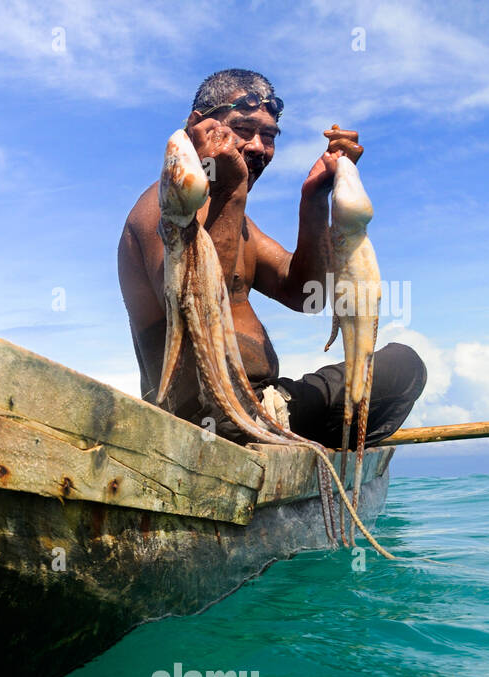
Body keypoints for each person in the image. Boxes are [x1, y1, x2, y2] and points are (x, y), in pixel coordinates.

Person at [117, 68, 426, 447]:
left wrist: (314, 197)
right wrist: (231, 190)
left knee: (400, 364)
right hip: (210, 420)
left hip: (268, 406)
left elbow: (306, 295)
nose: (259, 146)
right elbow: (190, 302)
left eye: (269, 135)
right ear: (198, 126)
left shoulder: (240, 223)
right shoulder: (161, 211)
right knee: (405, 368)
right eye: (243, 129)